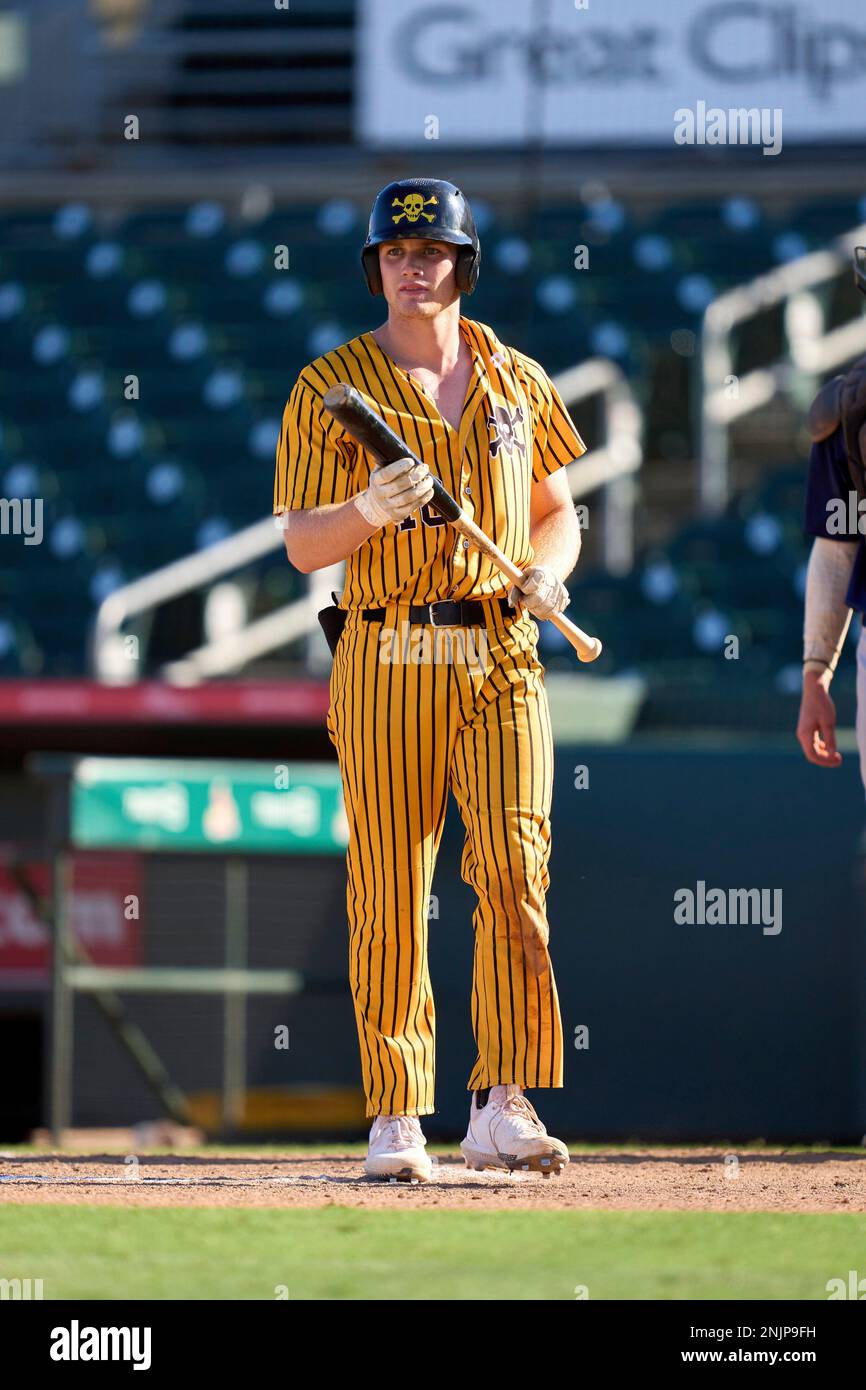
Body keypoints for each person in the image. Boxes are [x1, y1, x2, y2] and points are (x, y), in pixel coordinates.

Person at [274, 178, 587, 1182]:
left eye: (433, 249)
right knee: (391, 887)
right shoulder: (331, 382)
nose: (413, 264)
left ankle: (502, 1101)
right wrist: (366, 505)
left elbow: (558, 508)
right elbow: (298, 543)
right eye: (395, 252)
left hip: (500, 646)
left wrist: (550, 569)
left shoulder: (514, 375)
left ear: (462, 262)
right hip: (388, 645)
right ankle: (396, 1113)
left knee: (512, 865)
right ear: (376, 266)